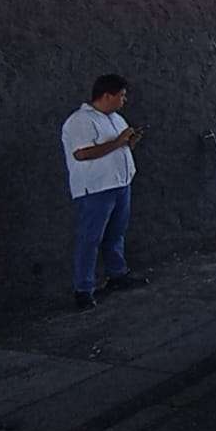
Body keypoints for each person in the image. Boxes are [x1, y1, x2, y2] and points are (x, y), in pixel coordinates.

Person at [61, 74, 149, 310]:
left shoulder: (116, 119)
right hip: (96, 188)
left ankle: (117, 274)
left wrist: (129, 142)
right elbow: (81, 153)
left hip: (120, 183)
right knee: (90, 238)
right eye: (121, 95)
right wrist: (119, 142)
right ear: (107, 95)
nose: (124, 100)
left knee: (116, 233)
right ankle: (83, 289)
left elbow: (118, 145)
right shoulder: (80, 121)